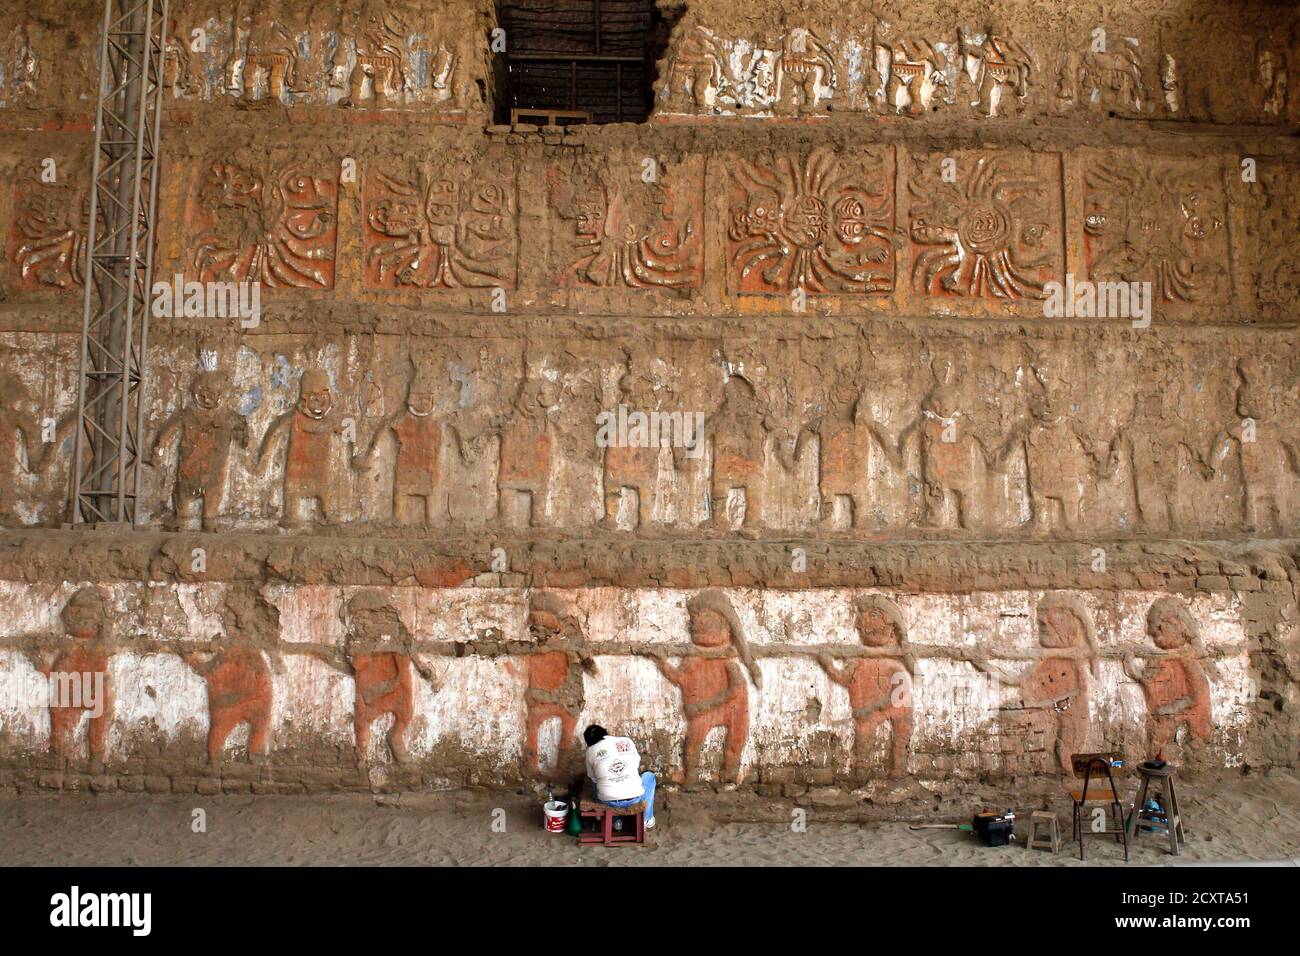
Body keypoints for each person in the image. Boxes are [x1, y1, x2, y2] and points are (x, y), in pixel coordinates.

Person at [583, 724, 656, 829]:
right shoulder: (626, 741)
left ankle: (612, 819)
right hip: (634, 798)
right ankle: (647, 819)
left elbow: (593, 777)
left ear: (589, 742)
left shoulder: (590, 751)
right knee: (649, 776)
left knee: (596, 782)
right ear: (605, 732)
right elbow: (636, 764)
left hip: (607, 801)